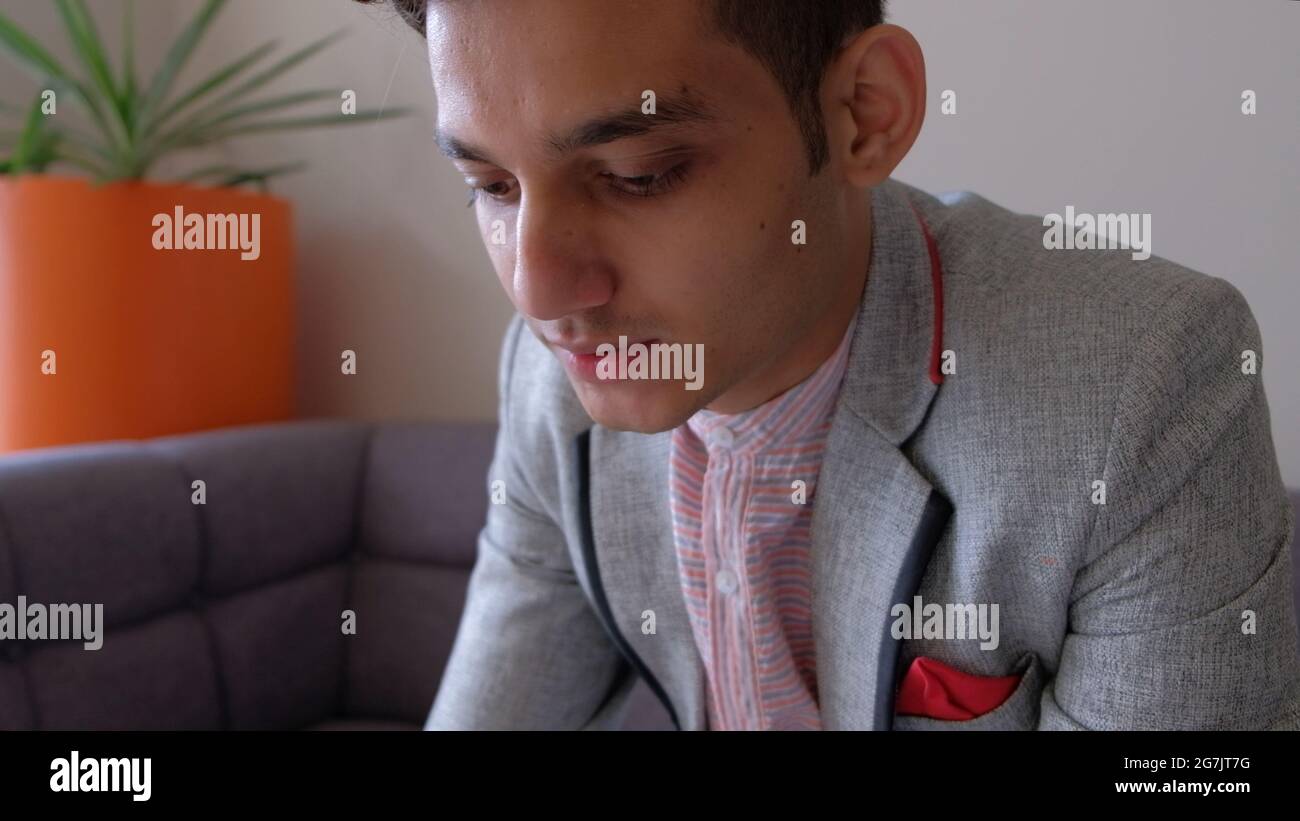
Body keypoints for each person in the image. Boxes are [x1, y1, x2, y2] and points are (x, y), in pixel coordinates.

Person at [357, 0, 1299, 730]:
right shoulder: (544, 384)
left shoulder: (1146, 386)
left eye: (639, 173)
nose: (540, 289)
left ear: (863, 114)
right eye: (490, 186)